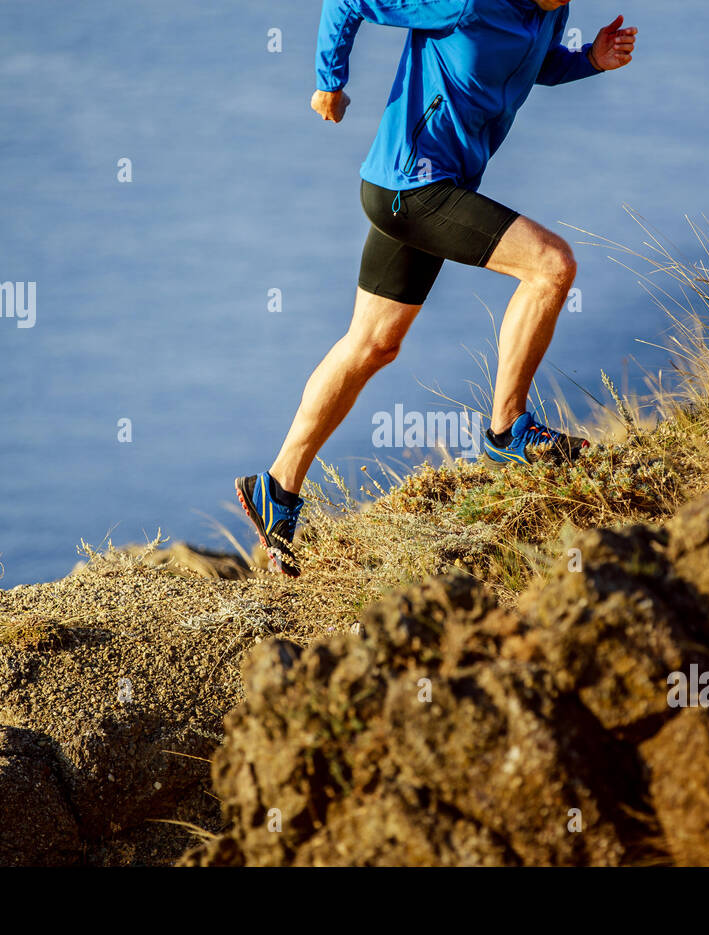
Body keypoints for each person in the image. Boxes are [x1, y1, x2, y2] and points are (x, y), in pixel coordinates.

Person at [235, 0, 637, 576]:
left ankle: (277, 488)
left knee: (373, 344)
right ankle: (507, 431)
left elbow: (527, 62)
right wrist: (330, 83)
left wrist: (589, 60)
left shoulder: (550, 10)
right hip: (412, 187)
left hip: (430, 186)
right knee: (551, 266)